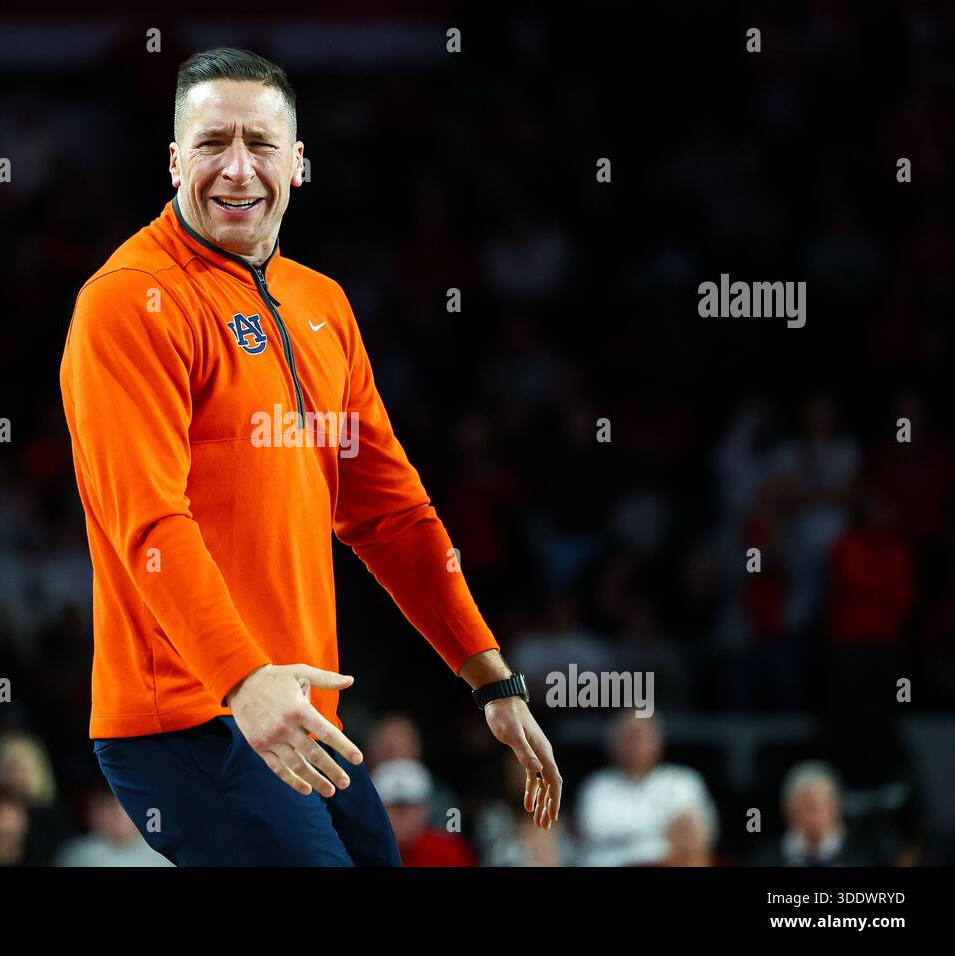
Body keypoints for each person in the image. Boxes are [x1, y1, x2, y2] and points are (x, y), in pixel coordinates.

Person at [60, 47, 559, 866]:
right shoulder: (126, 301)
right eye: (213, 142)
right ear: (176, 159)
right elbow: (147, 524)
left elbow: (391, 512)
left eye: (260, 144)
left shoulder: (320, 302)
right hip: (184, 720)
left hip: (293, 714)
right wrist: (240, 679)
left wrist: (490, 678)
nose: (236, 169)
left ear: (298, 164)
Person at [574, 712, 716, 866]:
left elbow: (702, 833)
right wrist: (663, 828)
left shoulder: (683, 781)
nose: (634, 745)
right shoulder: (597, 786)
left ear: (658, 742)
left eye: (640, 737)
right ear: (612, 744)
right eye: (628, 737)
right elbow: (595, 829)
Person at [750, 761, 879, 867]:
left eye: (822, 801)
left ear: (837, 806)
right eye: (806, 804)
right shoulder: (765, 859)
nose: (814, 810)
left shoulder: (867, 855)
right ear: (787, 809)